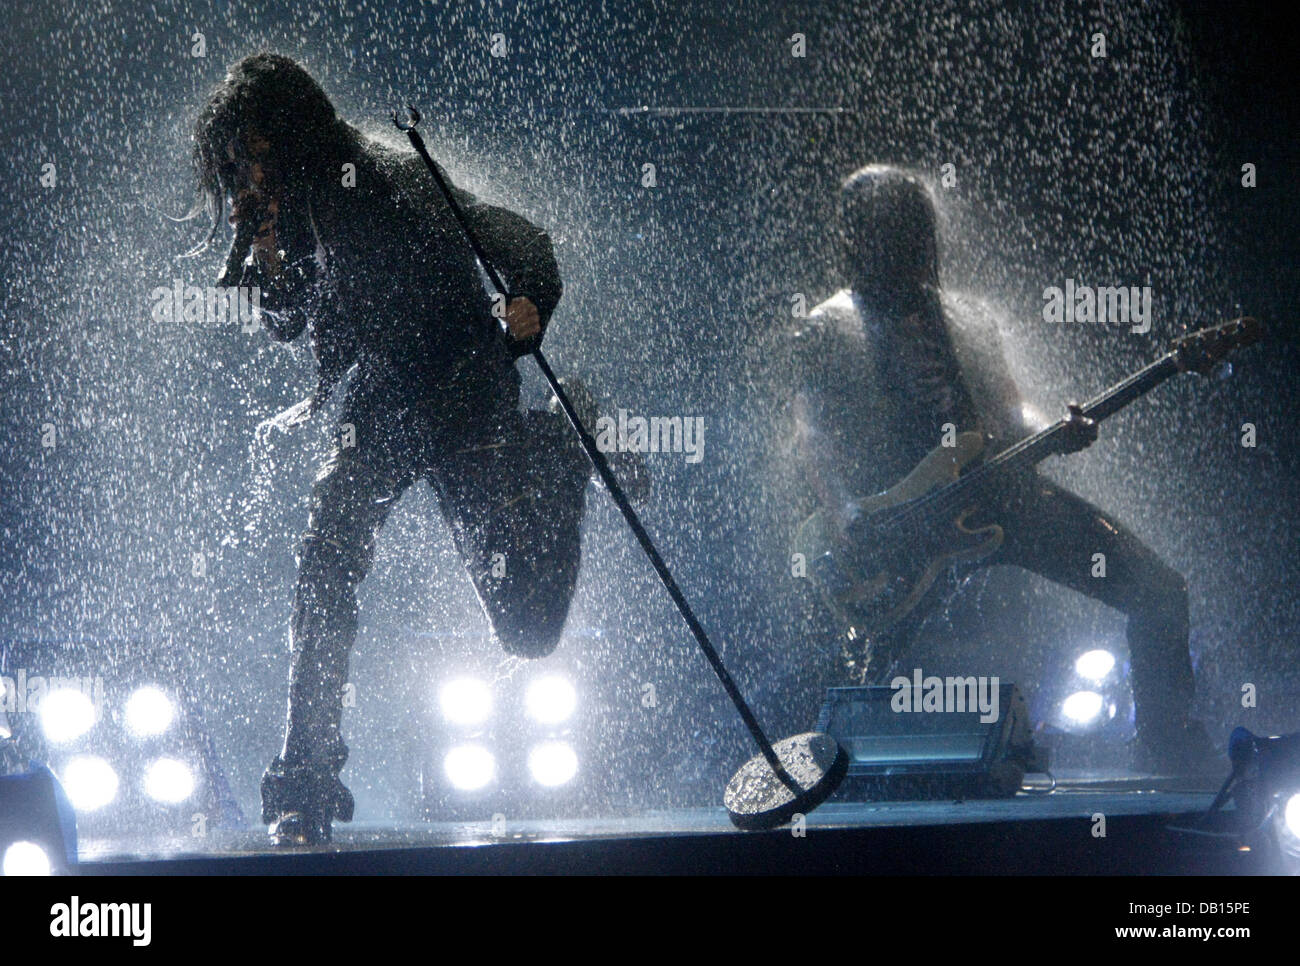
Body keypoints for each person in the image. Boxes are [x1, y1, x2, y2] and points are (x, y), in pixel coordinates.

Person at [190, 53, 628, 844]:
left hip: (463, 388)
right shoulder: (289, 206)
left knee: (529, 629)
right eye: (233, 161)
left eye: (250, 152)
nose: (243, 172)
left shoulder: (389, 179)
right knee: (327, 556)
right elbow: (289, 321)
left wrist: (527, 298)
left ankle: (562, 451)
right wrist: (264, 255)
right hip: (384, 404)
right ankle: (307, 775)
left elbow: (515, 235)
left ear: (287, 135)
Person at [786, 164, 1207, 773]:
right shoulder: (827, 325)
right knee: (865, 665)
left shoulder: (968, 318)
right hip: (905, 527)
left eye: (912, 230)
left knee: (1158, 589)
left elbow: (1010, 411)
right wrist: (845, 510)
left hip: (1002, 492)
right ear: (856, 239)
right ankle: (820, 791)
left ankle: (1170, 748)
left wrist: (1059, 431)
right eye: (887, 231)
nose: (906, 246)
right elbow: (813, 432)